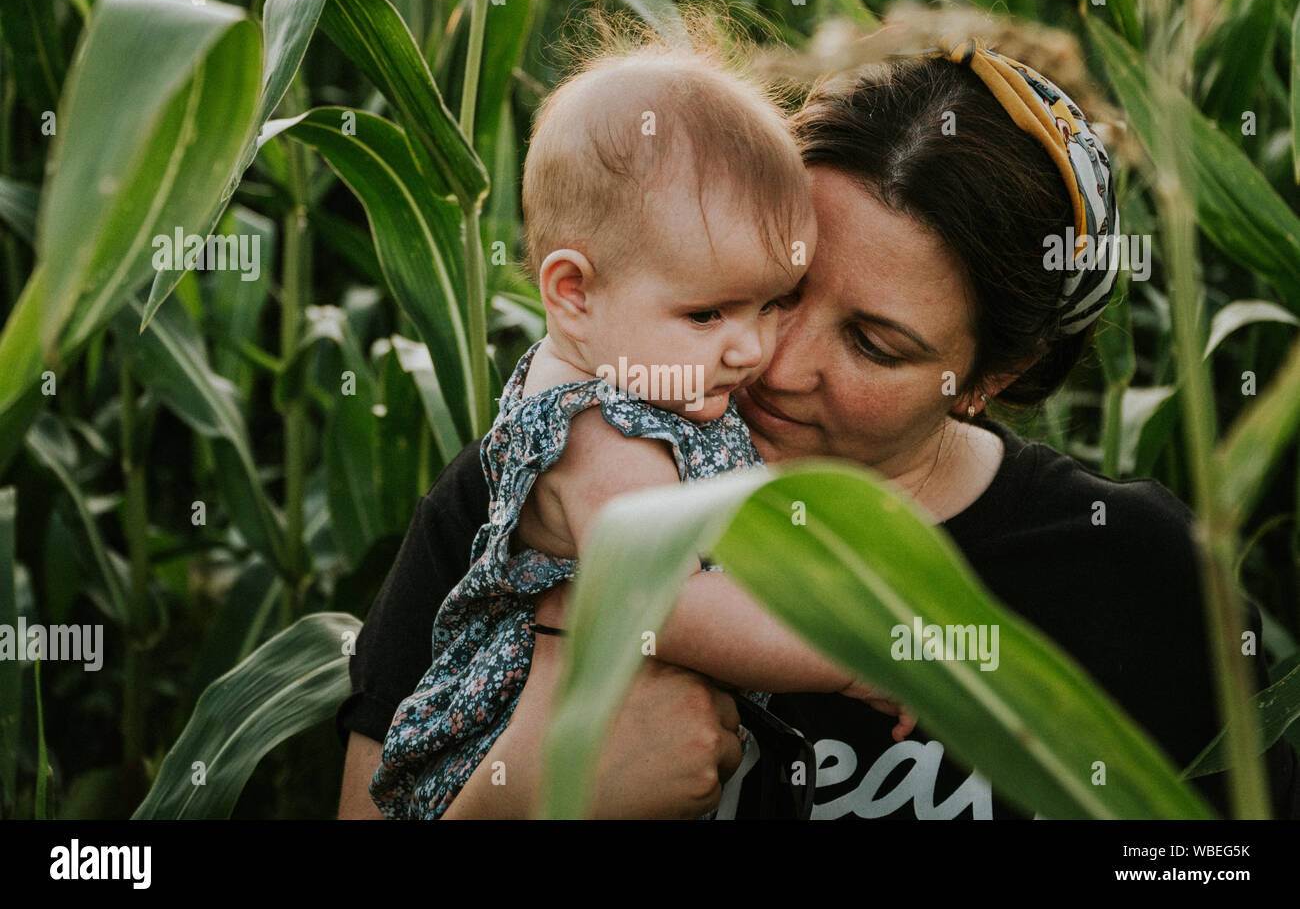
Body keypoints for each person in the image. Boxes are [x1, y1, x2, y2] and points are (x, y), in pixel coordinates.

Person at [337, 40, 1299, 819]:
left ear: (987, 379)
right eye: (772, 292)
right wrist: (538, 796)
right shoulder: (532, 487)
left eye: (875, 345)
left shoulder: (1133, 575)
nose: (772, 362)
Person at [368, 36, 914, 820]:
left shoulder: (639, 378)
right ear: (574, 293)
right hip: (525, 767)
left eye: (769, 303)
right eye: (706, 313)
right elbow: (666, 603)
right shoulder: (597, 433)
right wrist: (843, 655)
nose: (752, 350)